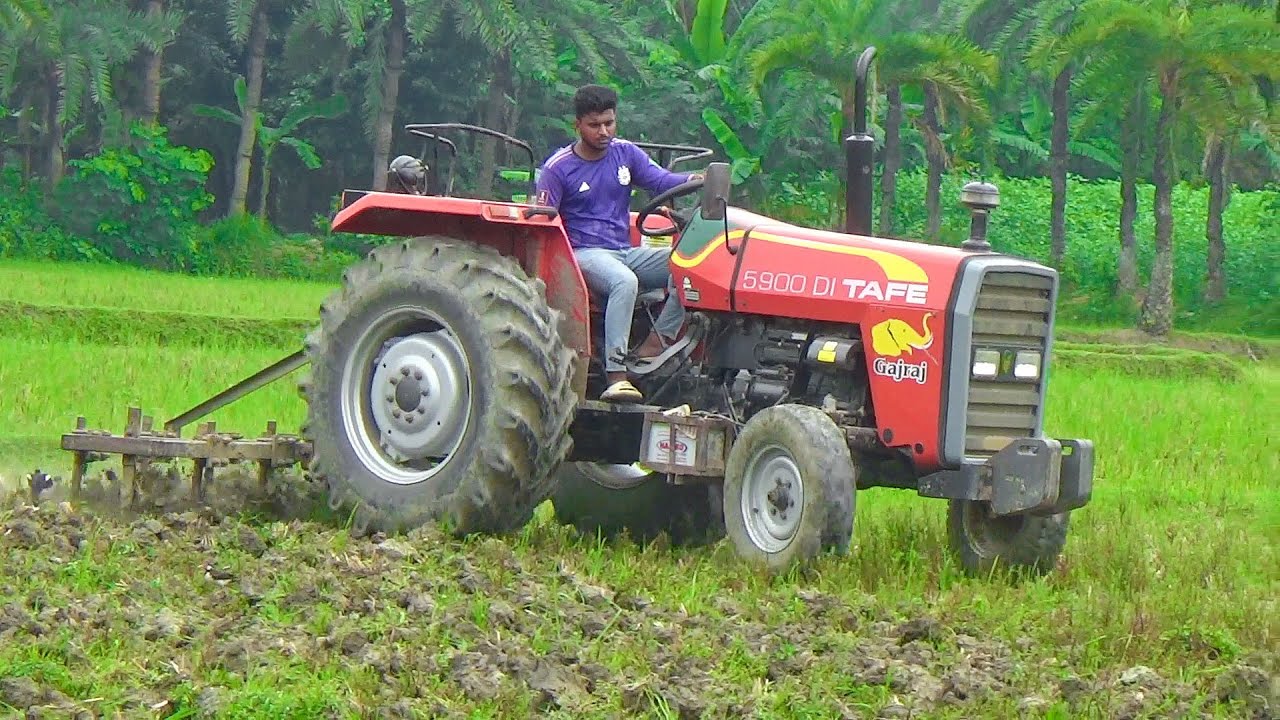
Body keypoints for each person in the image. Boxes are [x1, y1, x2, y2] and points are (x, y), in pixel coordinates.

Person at [535, 84, 701, 403]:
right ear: (578, 126)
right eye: (595, 125)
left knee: (690, 265)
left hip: (623, 250)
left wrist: (696, 179)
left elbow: (662, 181)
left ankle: (658, 340)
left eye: (609, 123)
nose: (604, 132)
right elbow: (544, 224)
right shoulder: (558, 169)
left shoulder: (625, 153)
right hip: (583, 254)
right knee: (625, 282)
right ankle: (617, 375)